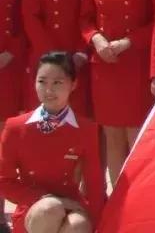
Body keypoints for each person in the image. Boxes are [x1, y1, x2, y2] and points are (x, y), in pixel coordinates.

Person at [79, 0, 155, 186]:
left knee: (135, 136)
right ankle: (115, 209)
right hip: (104, 64)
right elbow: (85, 18)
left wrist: (127, 42)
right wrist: (96, 40)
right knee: (111, 135)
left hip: (135, 63)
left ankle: (137, 206)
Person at [0, 52, 106, 233]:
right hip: (33, 208)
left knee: (78, 225)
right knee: (49, 209)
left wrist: (98, 222)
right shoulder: (16, 127)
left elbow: (94, 183)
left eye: (57, 82)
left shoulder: (86, 128)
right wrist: (45, 198)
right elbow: (4, 180)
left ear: (73, 84)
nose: (49, 90)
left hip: (72, 205)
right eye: (42, 82)